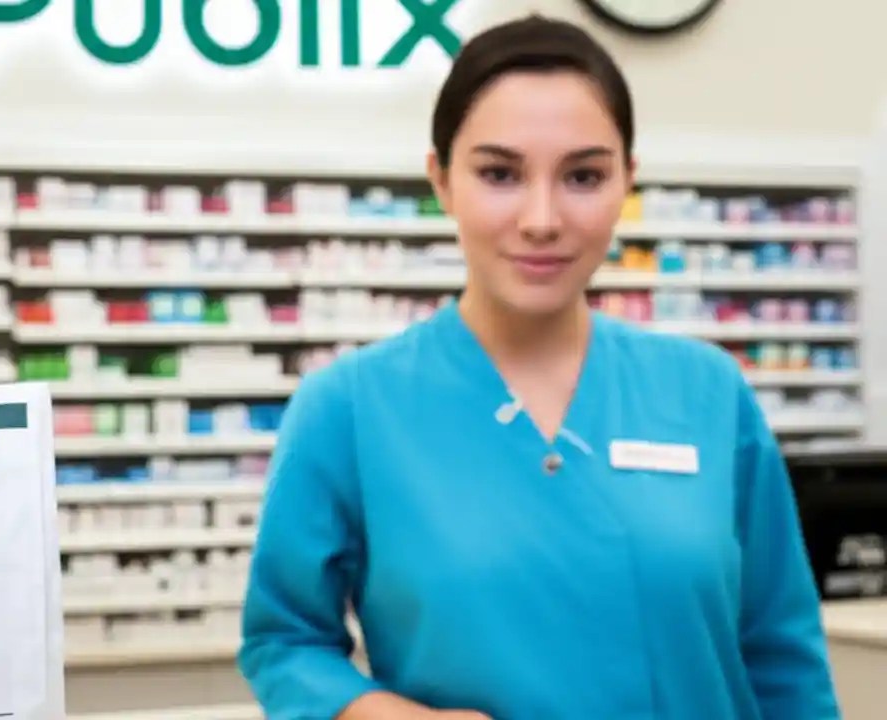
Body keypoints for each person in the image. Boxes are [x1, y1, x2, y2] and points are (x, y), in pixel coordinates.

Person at [237, 14, 841, 720]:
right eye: (499, 174)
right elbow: (284, 640)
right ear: (441, 181)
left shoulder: (708, 392)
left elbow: (783, 656)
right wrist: (382, 716)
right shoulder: (349, 408)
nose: (542, 219)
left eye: (584, 176)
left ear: (627, 181)